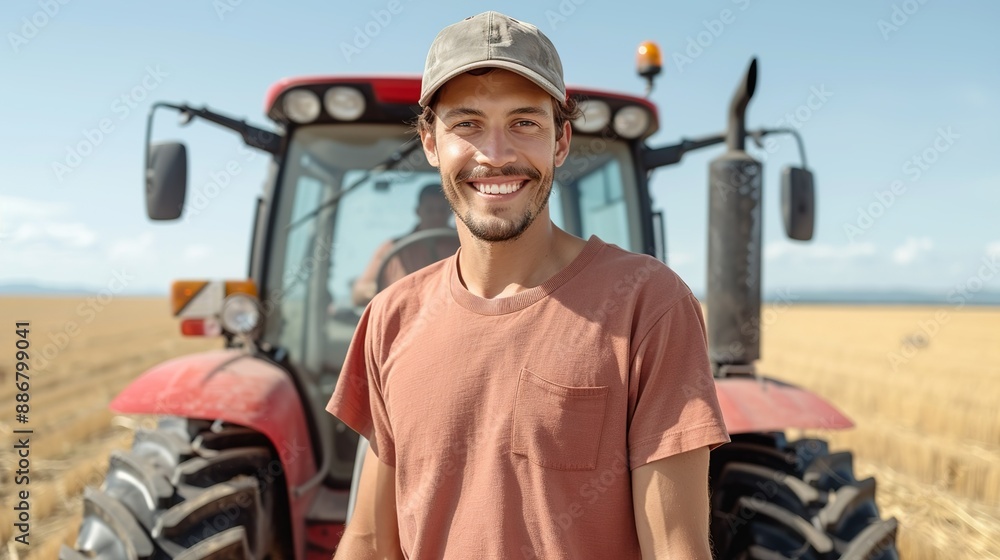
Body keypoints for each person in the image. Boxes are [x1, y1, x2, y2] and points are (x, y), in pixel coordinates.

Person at [327, 11, 729, 560]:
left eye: (524, 123)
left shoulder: (647, 305)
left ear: (561, 141)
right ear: (429, 142)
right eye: (466, 124)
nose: (495, 155)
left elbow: (675, 549)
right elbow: (371, 542)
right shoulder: (390, 317)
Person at [351, 183, 458, 306]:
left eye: (442, 210)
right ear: (418, 211)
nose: (436, 216)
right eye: (430, 210)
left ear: (451, 211)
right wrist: (386, 292)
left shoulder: (465, 247)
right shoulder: (392, 249)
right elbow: (359, 294)